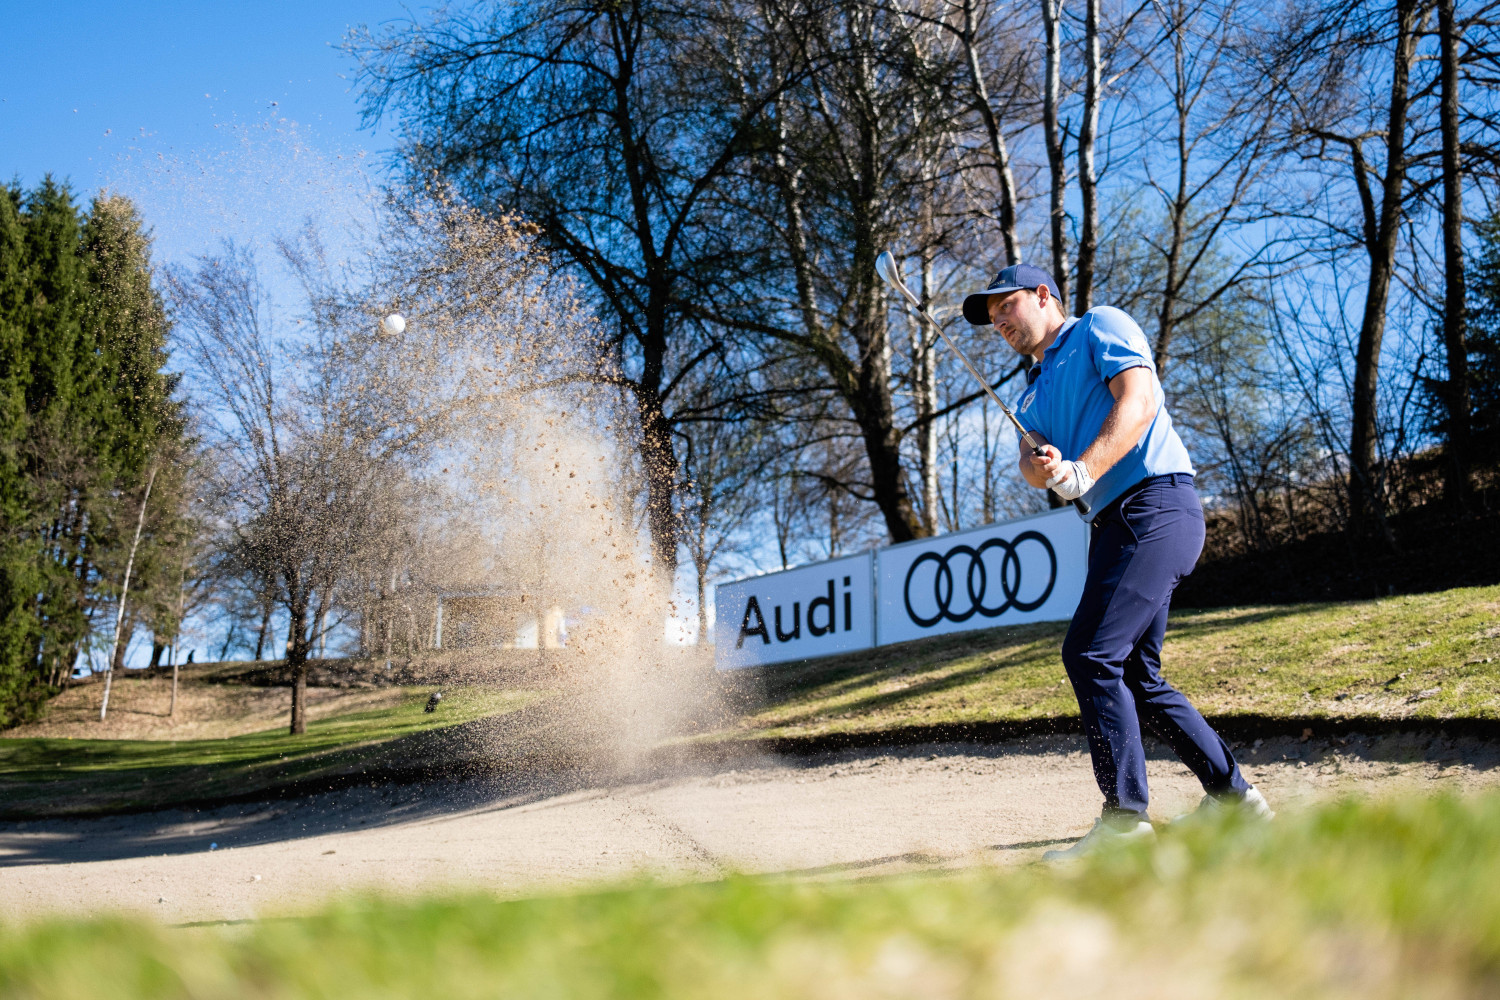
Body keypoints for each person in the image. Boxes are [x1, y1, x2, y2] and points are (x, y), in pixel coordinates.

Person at [961, 263, 1272, 861]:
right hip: (1115, 525)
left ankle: (1125, 824)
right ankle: (1236, 801)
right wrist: (1043, 464)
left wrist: (1084, 469)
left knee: (1090, 652)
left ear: (1043, 295)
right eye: (991, 315)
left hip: (1155, 505)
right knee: (1135, 675)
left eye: (1007, 305)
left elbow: (1139, 398)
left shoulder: (1099, 326)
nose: (999, 320)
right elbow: (1034, 471)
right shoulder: (1032, 389)